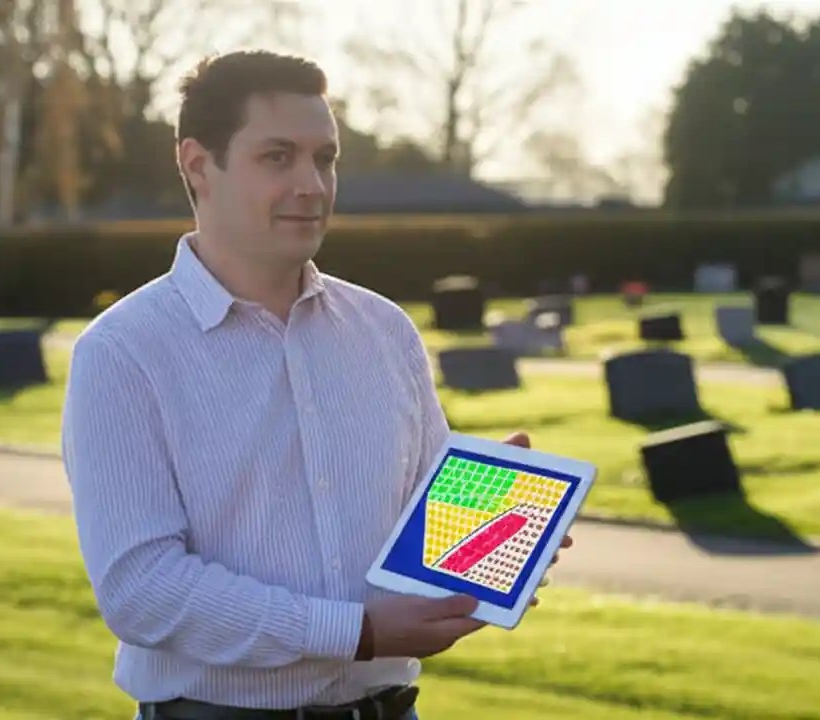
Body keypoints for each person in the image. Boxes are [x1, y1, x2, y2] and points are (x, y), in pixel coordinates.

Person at [61, 49, 568, 720]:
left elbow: (414, 554)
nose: (312, 184)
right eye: (278, 157)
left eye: (324, 158)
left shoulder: (386, 331)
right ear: (196, 165)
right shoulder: (122, 354)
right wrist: (356, 632)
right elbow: (142, 590)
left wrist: (492, 543)